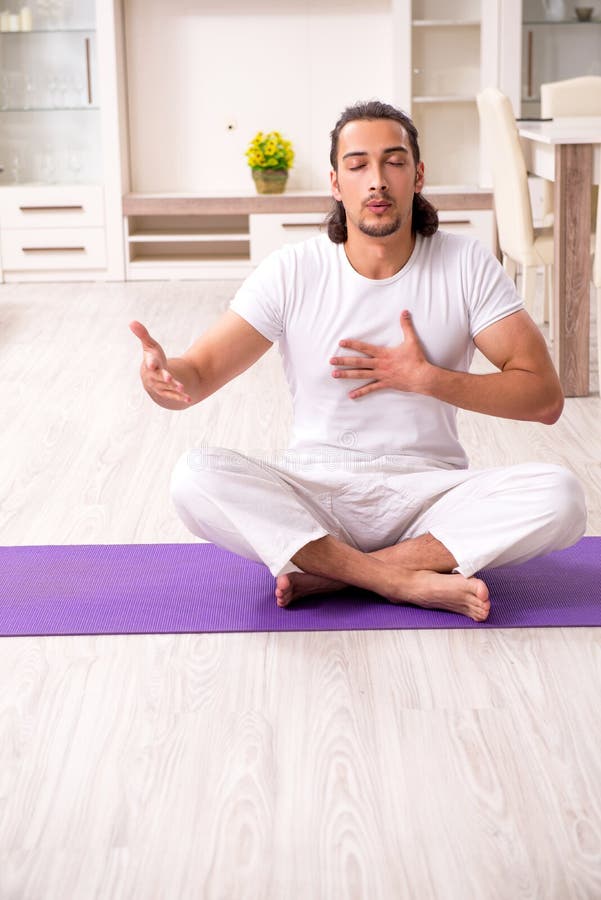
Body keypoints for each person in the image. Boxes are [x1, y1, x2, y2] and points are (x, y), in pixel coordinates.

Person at [130, 100, 586, 622]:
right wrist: (163, 376)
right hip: (317, 491)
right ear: (335, 182)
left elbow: (544, 398)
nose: (377, 180)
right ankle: (397, 580)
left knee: (562, 495)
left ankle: (333, 574)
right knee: (193, 476)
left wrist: (428, 379)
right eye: (358, 165)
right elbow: (200, 372)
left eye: (393, 162)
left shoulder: (465, 263)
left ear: (417, 175)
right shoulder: (292, 270)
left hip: (430, 495)